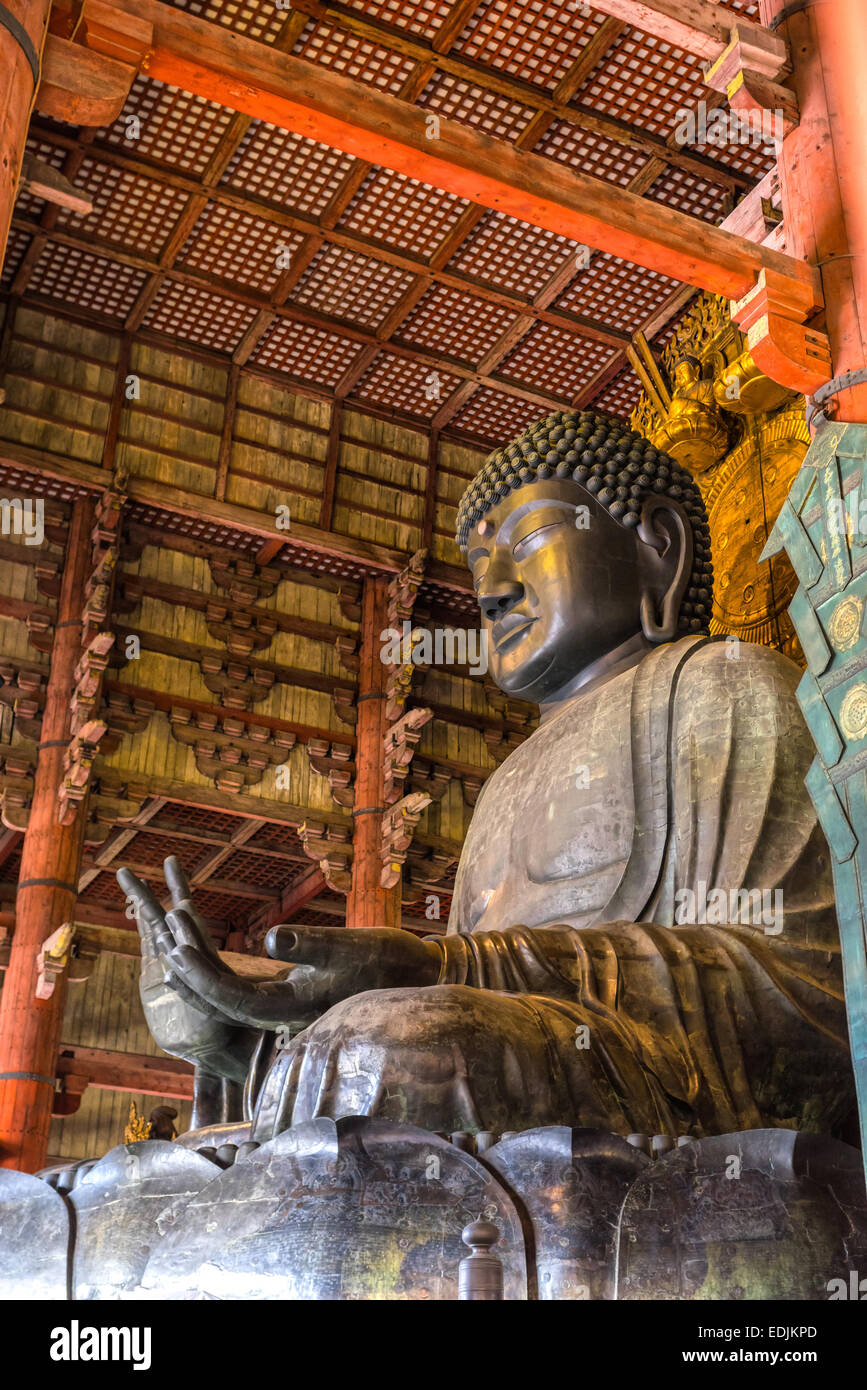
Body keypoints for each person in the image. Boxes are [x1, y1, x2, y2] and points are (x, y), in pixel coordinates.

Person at [119, 408, 856, 1145]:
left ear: (657, 546)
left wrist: (447, 966)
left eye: (530, 541)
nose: (492, 592)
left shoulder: (726, 689)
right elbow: (463, 1000)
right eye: (478, 569)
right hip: (507, 1063)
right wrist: (235, 1029)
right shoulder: (505, 785)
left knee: (391, 1048)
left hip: (662, 1094)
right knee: (205, 1143)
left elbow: (804, 991)